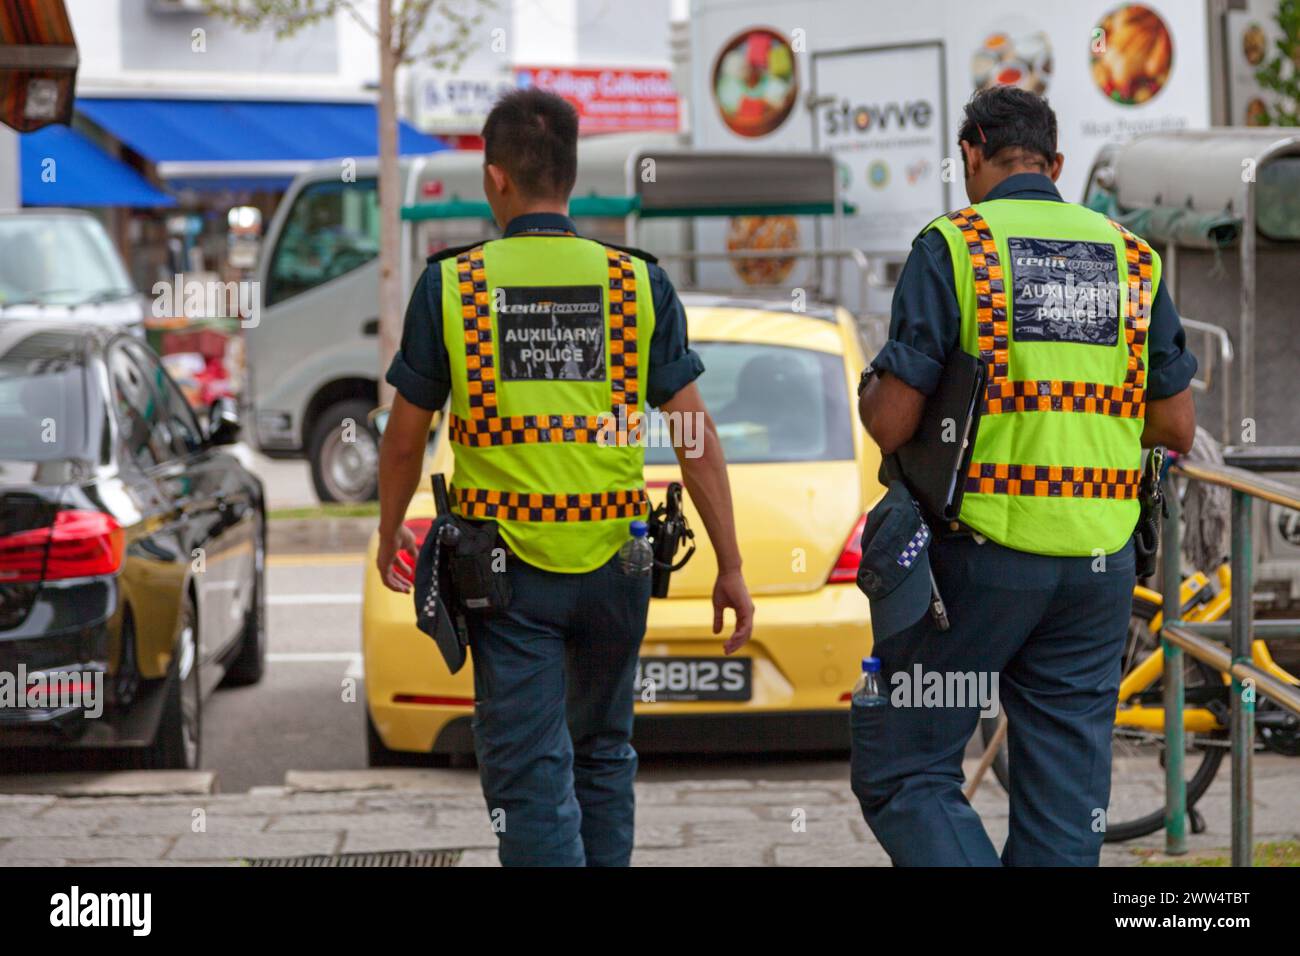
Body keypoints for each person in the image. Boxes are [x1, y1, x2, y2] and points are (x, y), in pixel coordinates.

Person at [375, 89, 754, 867]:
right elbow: (695, 435)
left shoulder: (452, 287)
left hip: (508, 577)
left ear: (495, 178)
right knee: (604, 755)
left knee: (528, 774)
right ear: (570, 177)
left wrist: (388, 533)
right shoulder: (635, 284)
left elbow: (403, 439)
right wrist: (733, 565)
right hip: (619, 564)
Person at [853, 86, 1197, 866]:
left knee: (904, 766)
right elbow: (1177, 426)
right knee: (1065, 808)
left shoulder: (957, 246)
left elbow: (891, 420)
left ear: (971, 153)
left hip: (974, 573)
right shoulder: (1132, 256)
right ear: (1057, 163)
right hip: (1098, 574)